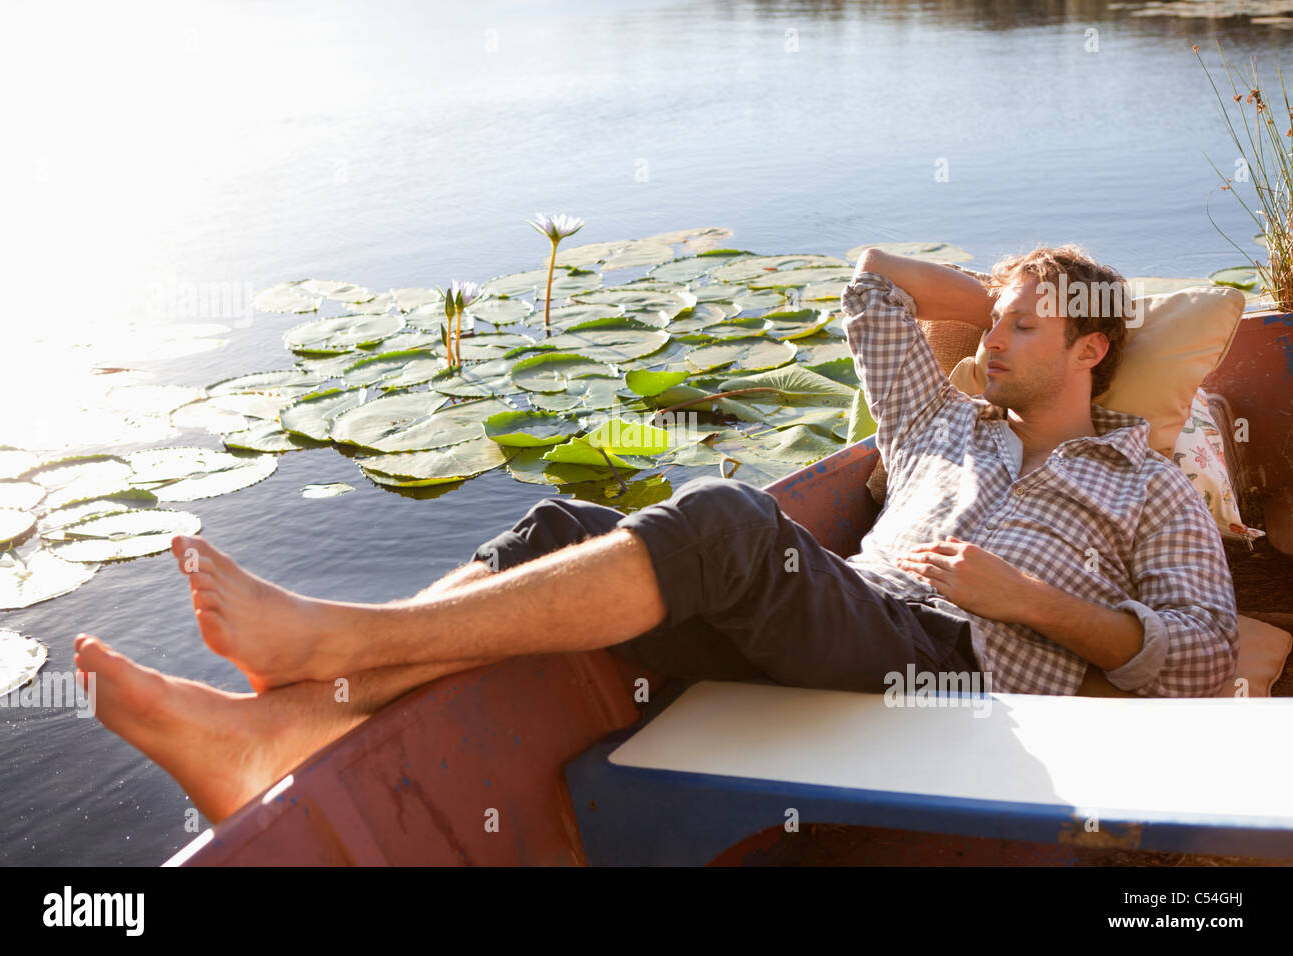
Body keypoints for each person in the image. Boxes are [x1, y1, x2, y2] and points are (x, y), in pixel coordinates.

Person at [73, 244, 1239, 823]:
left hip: (957, 669)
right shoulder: (945, 421)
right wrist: (1000, 287)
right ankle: (269, 733)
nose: (988, 340)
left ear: (1093, 354)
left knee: (727, 522)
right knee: (556, 522)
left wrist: (1031, 601)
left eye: (1023, 329)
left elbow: (1198, 660)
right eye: (989, 320)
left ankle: (333, 636)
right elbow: (870, 287)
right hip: (847, 613)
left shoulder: (1149, 488)